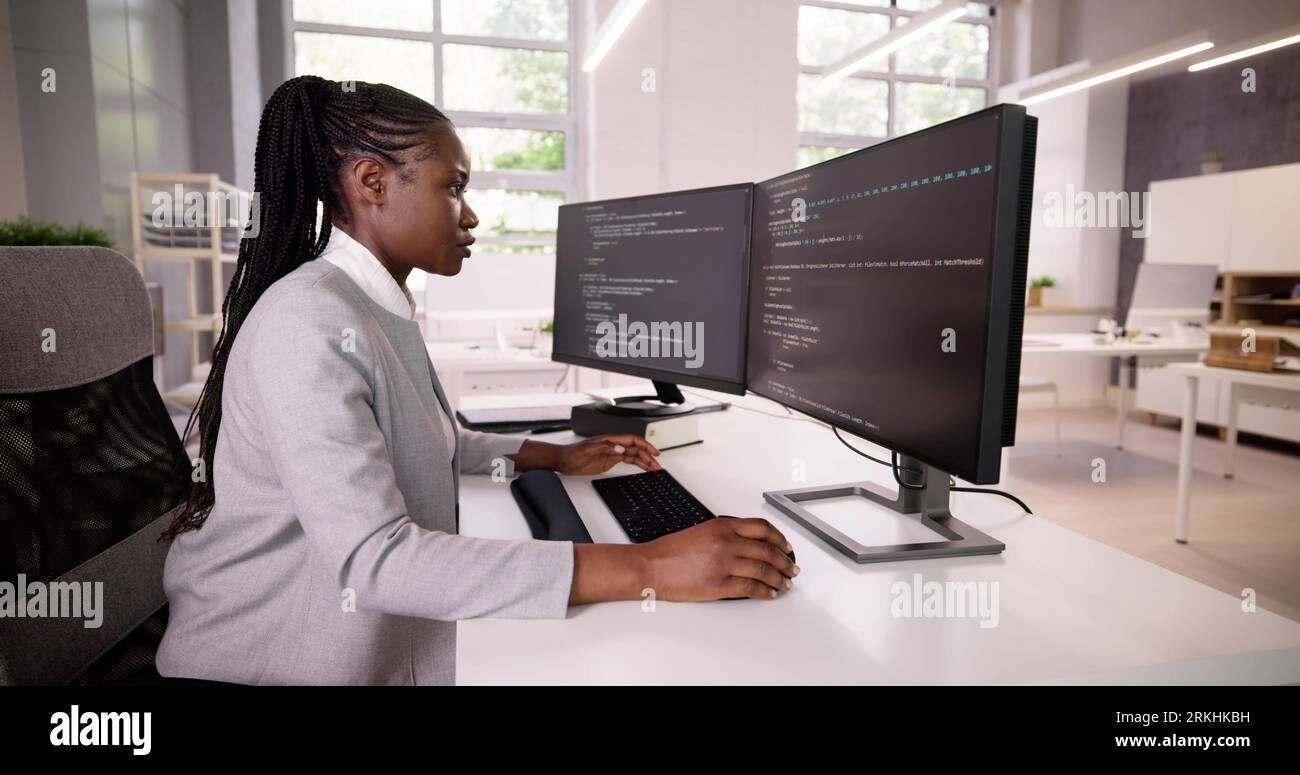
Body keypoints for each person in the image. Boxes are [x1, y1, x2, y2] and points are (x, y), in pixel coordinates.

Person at [155, 76, 797, 685]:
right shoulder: (307, 322)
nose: (471, 216)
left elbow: (435, 438)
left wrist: (555, 455)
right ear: (372, 181)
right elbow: (376, 562)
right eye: (453, 187)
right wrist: (650, 565)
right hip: (271, 659)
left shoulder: (368, 305)